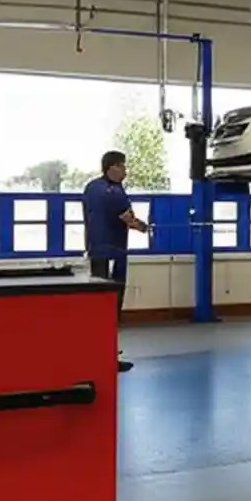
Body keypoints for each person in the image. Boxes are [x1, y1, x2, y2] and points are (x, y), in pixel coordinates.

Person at [84, 150, 149, 373]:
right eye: (123, 166)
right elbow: (128, 218)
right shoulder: (114, 191)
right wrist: (145, 227)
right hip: (114, 253)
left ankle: (96, 353)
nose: (125, 171)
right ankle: (107, 356)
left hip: (96, 251)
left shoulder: (91, 187)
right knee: (112, 306)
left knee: (98, 305)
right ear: (112, 167)